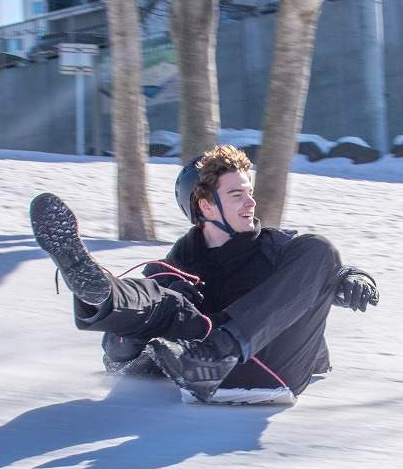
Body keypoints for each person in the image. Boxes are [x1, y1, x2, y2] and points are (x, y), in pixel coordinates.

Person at [29, 144, 378, 404]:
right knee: (158, 298)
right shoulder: (180, 261)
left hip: (277, 364)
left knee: (320, 249)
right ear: (206, 206)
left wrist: (350, 279)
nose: (251, 203)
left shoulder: (276, 245)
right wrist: (129, 342)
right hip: (204, 370)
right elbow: (159, 308)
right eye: (237, 194)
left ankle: (219, 349)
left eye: (249, 193)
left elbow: (317, 271)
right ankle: (100, 292)